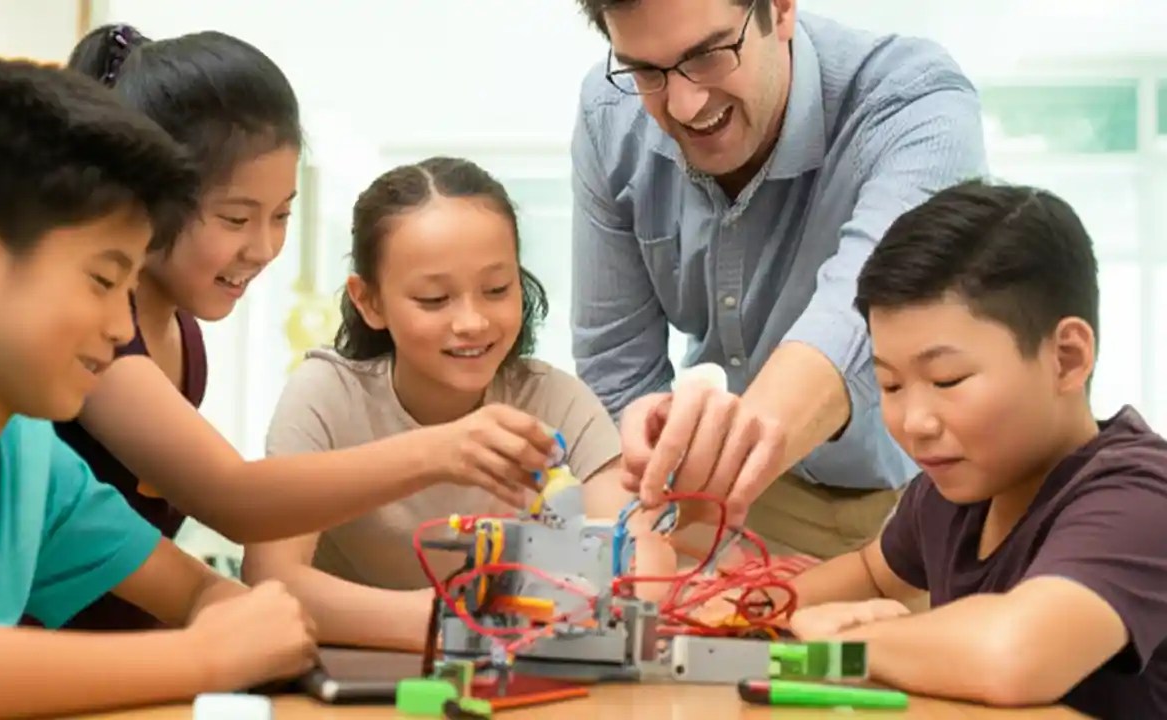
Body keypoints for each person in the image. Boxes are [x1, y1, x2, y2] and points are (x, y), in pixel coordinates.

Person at [54, 25, 558, 631]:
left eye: (282, 215)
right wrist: (442, 450)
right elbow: (232, 497)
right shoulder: (92, 338)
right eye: (236, 217)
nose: (264, 247)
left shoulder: (180, 330)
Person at [0, 57, 316, 719]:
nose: (122, 327)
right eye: (101, 280)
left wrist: (242, 621)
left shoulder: (28, 459)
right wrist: (206, 656)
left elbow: (201, 594)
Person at [569, 0, 988, 557]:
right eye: (648, 72)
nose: (685, 104)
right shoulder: (610, 115)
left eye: (710, 55)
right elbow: (615, 366)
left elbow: (856, 322)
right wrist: (658, 521)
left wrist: (715, 460)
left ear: (781, 9)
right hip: (742, 503)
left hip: (925, 496)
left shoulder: (917, 104)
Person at [241, 157, 671, 651]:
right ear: (369, 301)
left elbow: (635, 557)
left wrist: (635, 570)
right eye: (433, 298)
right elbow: (273, 582)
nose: (471, 322)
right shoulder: (325, 397)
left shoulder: (555, 400)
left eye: (496, 289)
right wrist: (461, 622)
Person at [785, 180, 1167, 718]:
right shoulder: (949, 490)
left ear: (1067, 358)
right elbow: (870, 574)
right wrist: (725, 614)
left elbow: (1013, 656)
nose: (914, 423)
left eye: (947, 379)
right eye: (890, 385)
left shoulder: (1141, 497)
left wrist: (847, 647)